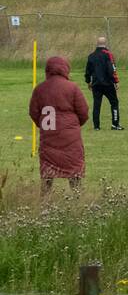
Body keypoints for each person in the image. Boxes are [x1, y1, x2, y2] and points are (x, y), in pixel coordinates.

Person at [29, 56, 89, 195]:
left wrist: (43, 125)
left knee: (47, 169)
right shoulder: (72, 88)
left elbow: (33, 112)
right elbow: (84, 112)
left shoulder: (39, 89)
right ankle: (78, 198)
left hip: (48, 134)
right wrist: (73, 125)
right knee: (74, 168)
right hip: (70, 136)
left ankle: (45, 201)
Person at [84, 36, 122, 131]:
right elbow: (112, 69)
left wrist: (88, 81)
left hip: (96, 84)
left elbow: (87, 71)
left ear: (97, 44)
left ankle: (96, 126)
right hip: (107, 84)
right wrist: (115, 81)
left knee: (97, 104)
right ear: (106, 44)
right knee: (114, 103)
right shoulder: (108, 54)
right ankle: (115, 124)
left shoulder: (91, 56)